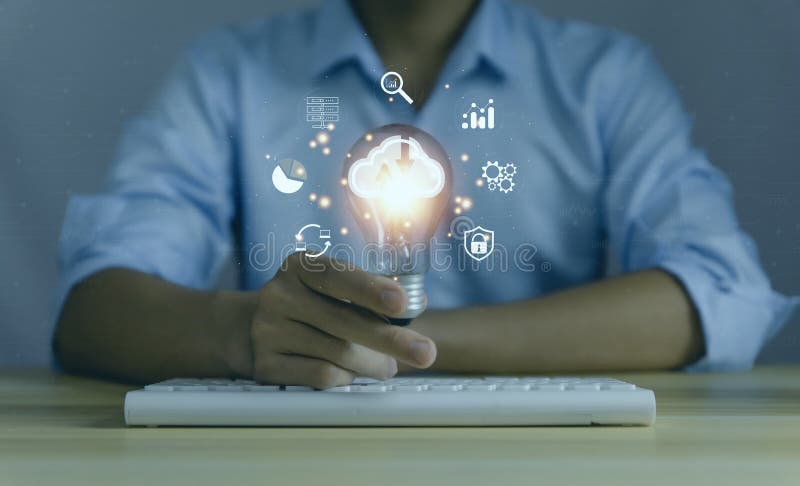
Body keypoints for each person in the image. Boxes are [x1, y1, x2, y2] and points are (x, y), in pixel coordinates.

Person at [54, 0, 794, 388]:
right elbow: (93, 309)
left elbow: (719, 295)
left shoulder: (603, 77)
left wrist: (386, 342)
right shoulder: (230, 72)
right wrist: (245, 333)